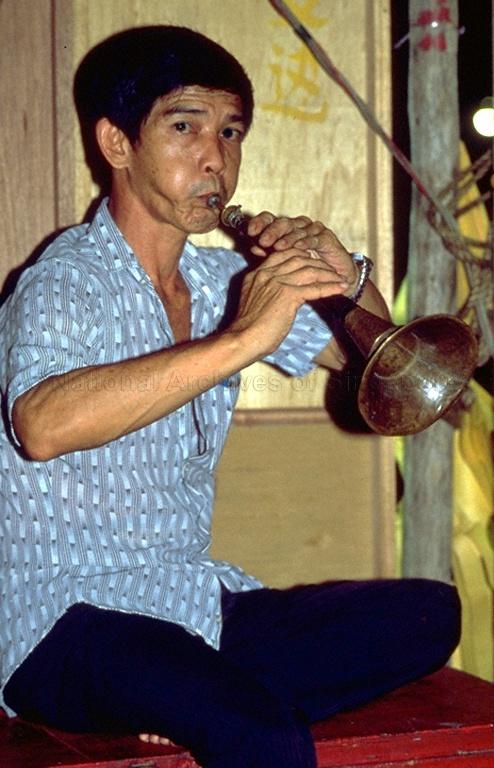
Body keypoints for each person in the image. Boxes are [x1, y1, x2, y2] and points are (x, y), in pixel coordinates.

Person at [0, 26, 460, 768]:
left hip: (188, 606)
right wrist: (242, 339)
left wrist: (343, 273)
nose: (215, 157)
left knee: (431, 614)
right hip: (63, 621)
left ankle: (188, 691)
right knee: (262, 733)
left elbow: (368, 356)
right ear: (117, 144)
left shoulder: (220, 280)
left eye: (230, 131)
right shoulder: (66, 278)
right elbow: (41, 425)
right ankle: (199, 694)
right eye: (184, 127)